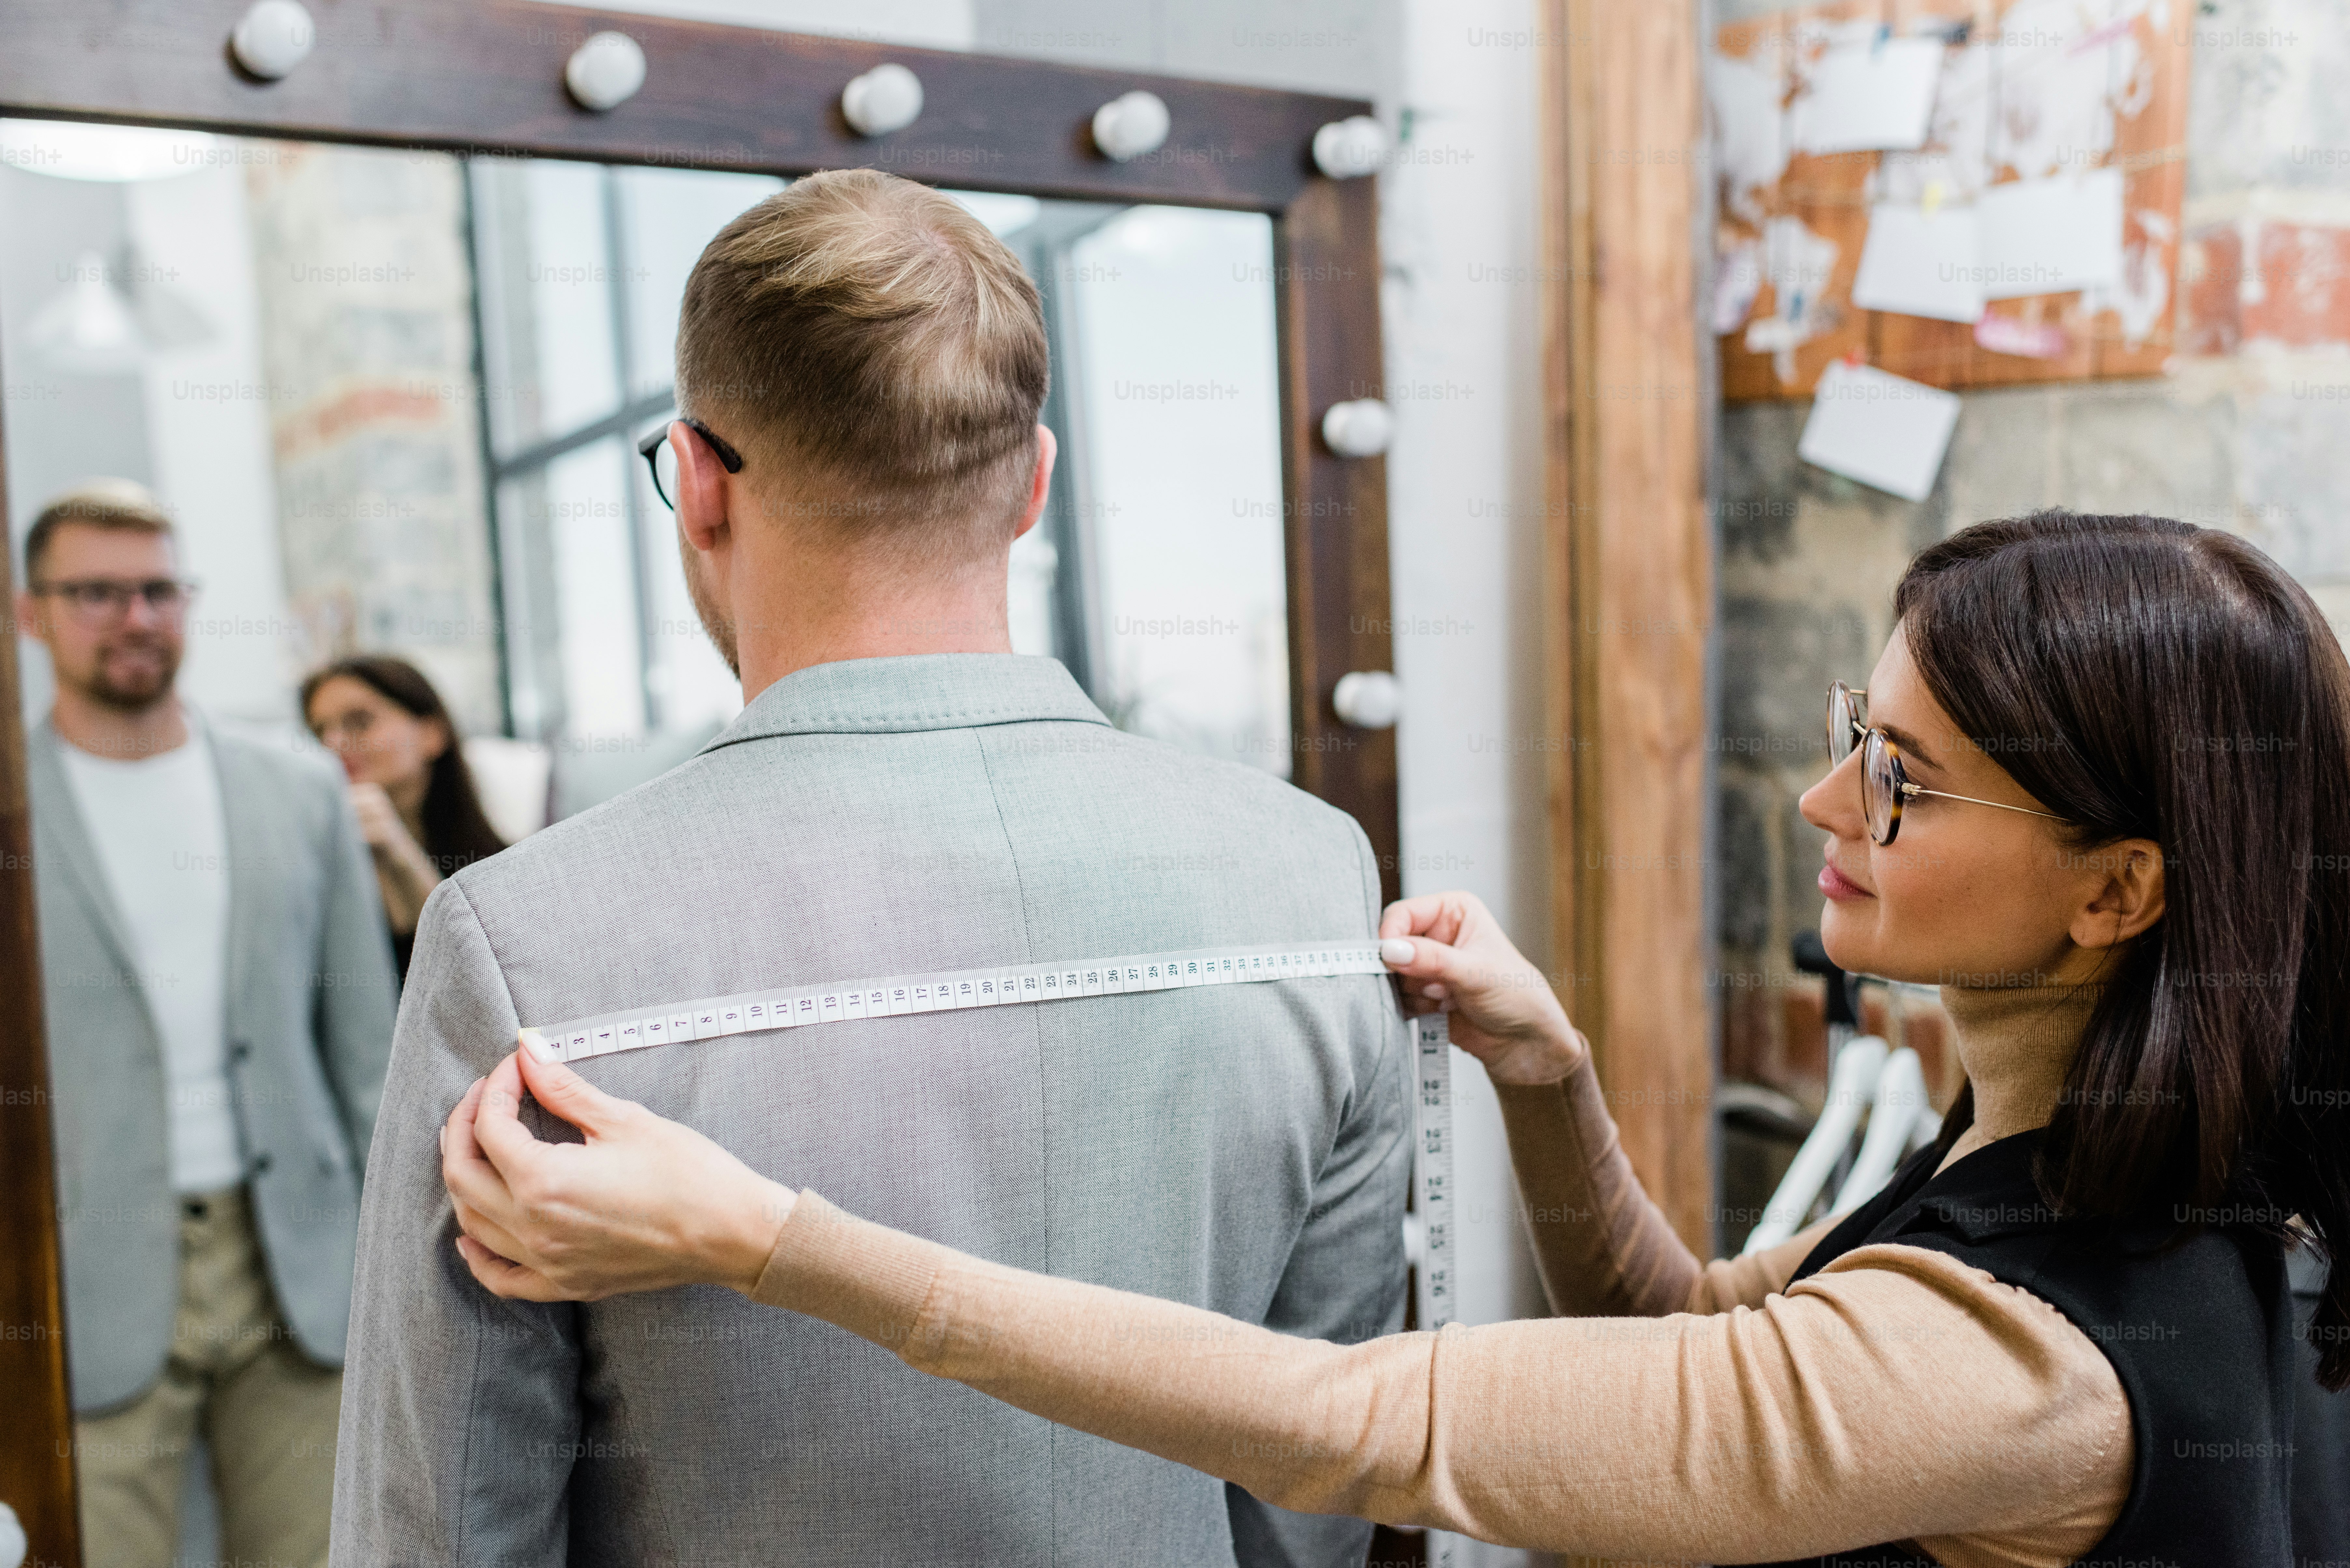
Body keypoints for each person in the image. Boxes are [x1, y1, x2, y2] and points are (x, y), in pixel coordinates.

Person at [441, 512, 2346, 1565]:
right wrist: (1552, 1077)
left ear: (2118, 893)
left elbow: (1372, 1422)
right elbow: (1703, 1337)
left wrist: (763, 1233)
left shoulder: (2019, 1352)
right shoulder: (2125, 1189)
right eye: (1864, 729)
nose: (1828, 807)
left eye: (1907, 783)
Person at [331, 168, 1410, 1568]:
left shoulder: (522, 943)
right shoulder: (1310, 878)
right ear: (1033, 483)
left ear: (701, 482)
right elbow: (1322, 1478)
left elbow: (443, 1525)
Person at [13, 479, 397, 1568]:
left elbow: (367, 1053)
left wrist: (393, 1268)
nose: (134, 617)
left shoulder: (299, 791)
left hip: (297, 1265)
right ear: (30, 612)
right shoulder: (11, 804)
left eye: (158, 589)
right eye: (94, 592)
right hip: (87, 1271)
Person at [301, 654, 507, 982]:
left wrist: (400, 850)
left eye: (359, 721)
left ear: (432, 734)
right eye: (319, 731)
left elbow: (491, 980)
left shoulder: (503, 869)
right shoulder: (313, 872)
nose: (332, 743)